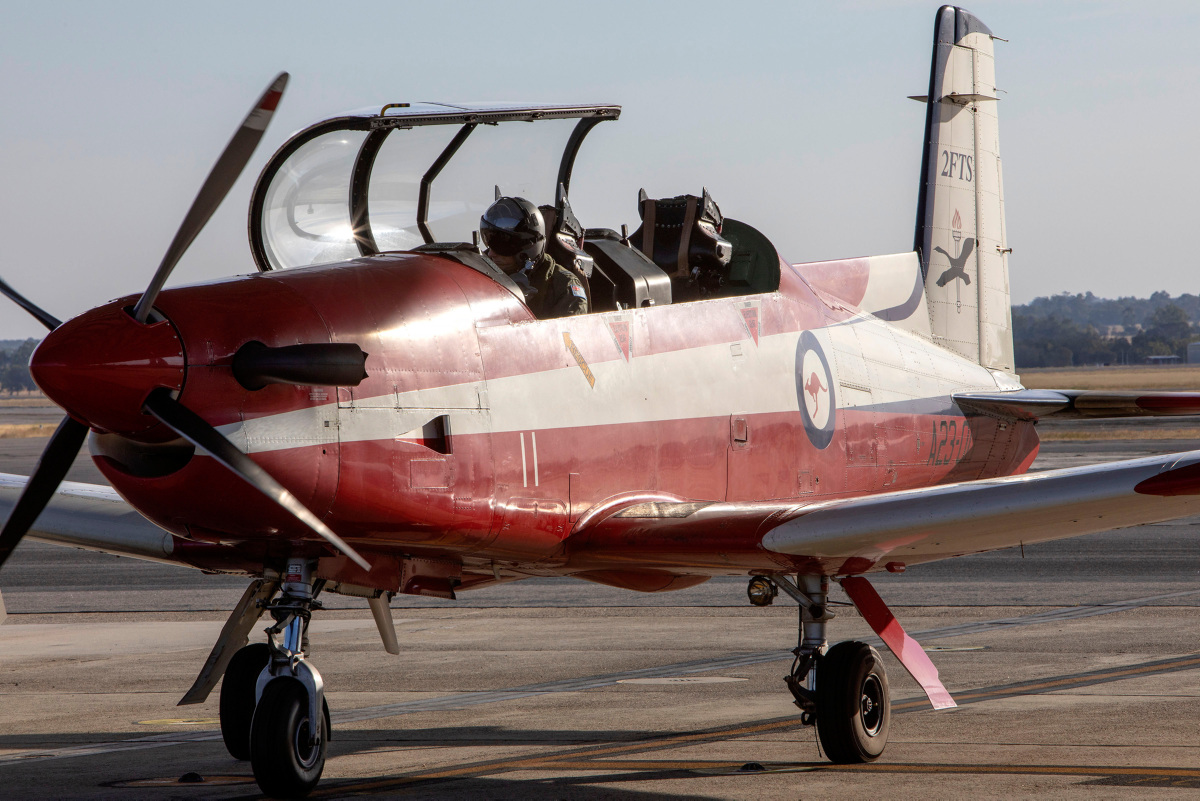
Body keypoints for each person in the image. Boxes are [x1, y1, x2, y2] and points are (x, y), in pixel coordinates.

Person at [479, 196, 587, 318]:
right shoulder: (481, 272)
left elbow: (568, 334)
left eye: (502, 246)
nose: (491, 254)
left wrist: (522, 309)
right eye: (489, 243)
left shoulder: (564, 286)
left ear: (527, 250)